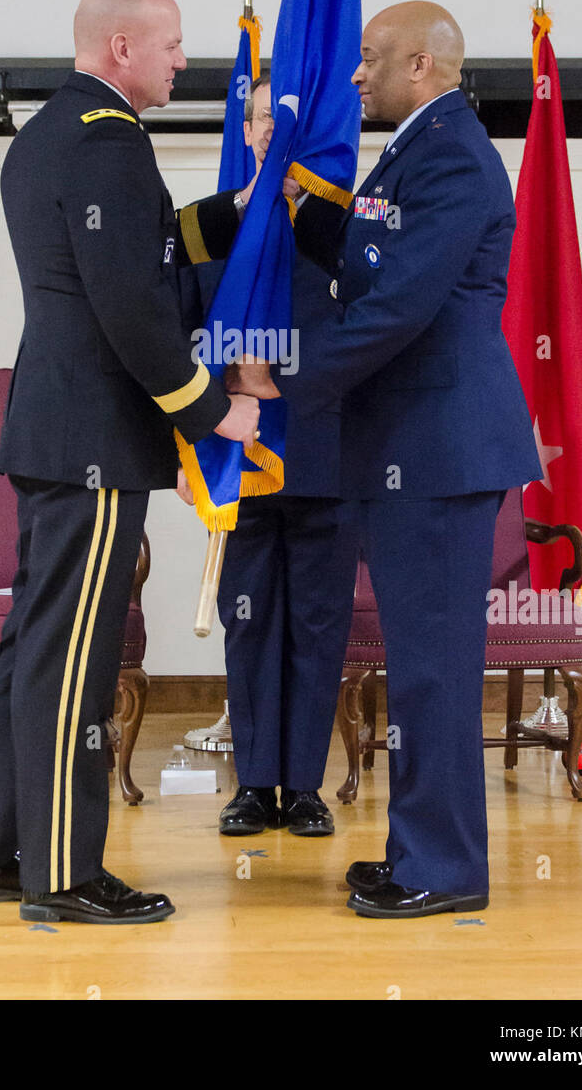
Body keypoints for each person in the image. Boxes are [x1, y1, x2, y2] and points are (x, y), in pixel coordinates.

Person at [0, 0, 261, 926]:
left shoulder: (54, 135)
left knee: (29, 652)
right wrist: (212, 410)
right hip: (93, 439)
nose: (183, 60)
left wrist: (237, 209)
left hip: (56, 431)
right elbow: (131, 305)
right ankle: (63, 876)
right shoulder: (114, 148)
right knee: (72, 664)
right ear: (121, 48)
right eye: (170, 44)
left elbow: (145, 253)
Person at [286, 1, 542, 916]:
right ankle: (416, 854)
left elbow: (398, 309)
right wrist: (308, 217)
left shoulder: (457, 156)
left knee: (432, 669)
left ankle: (443, 871)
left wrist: (283, 385)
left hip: (438, 451)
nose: (356, 76)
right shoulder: (420, 145)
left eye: (370, 59)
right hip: (411, 446)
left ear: (423, 65)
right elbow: (371, 259)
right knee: (420, 663)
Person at [180, 74, 360, 837]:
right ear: (248, 132)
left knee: (318, 623)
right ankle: (255, 783)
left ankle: (306, 785)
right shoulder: (214, 225)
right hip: (238, 451)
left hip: (326, 450)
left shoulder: (345, 225)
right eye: (259, 120)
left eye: (282, 122)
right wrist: (193, 443)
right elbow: (180, 332)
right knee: (249, 619)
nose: (268, 132)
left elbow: (370, 327)